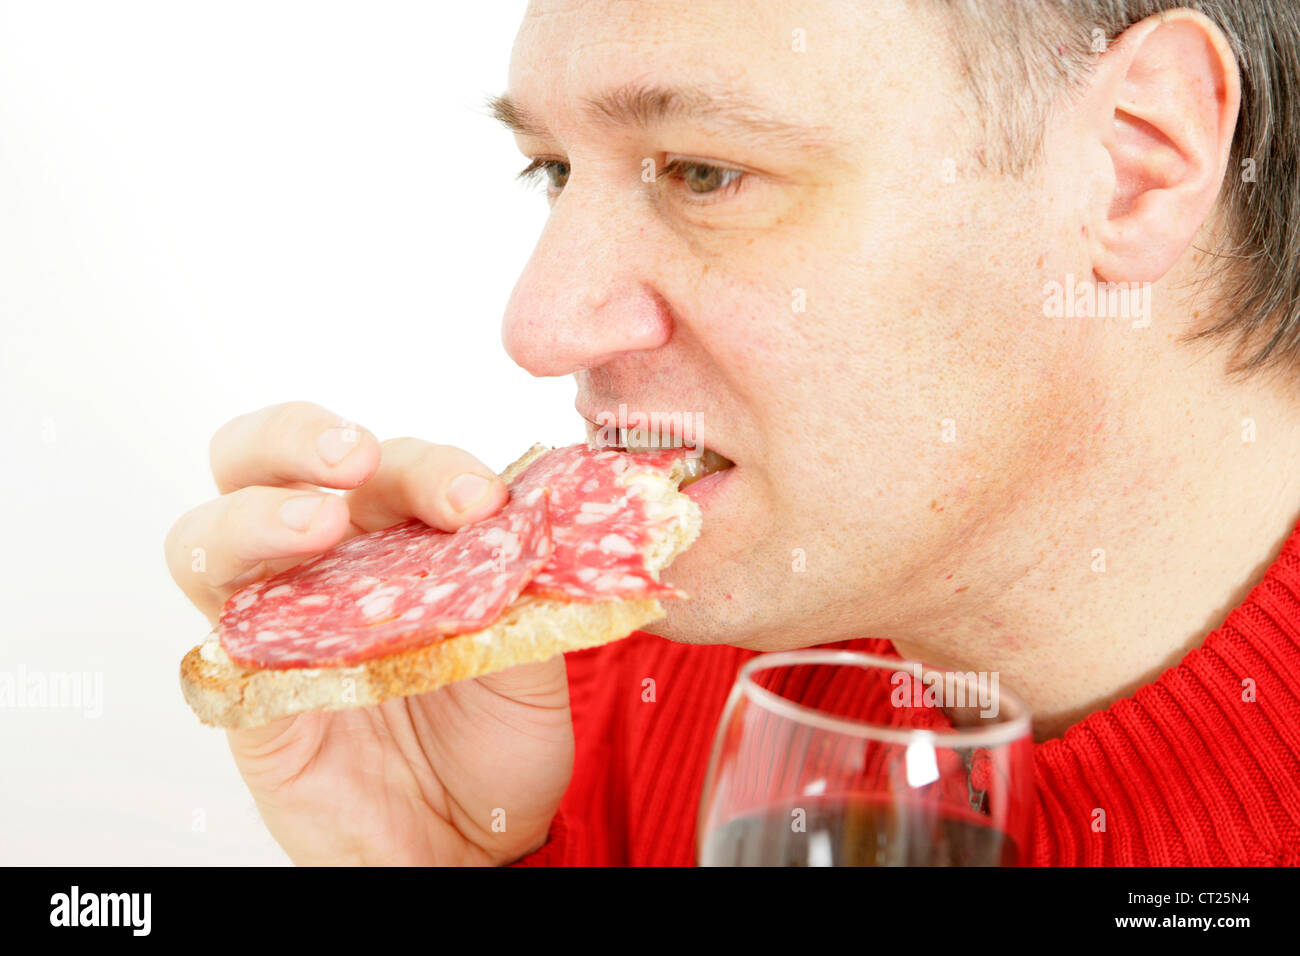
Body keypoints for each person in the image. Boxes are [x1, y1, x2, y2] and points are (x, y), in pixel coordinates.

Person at [165, 0, 1300, 865]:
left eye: (705, 171)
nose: (540, 324)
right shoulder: (566, 708)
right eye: (552, 170)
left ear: (1135, 164)